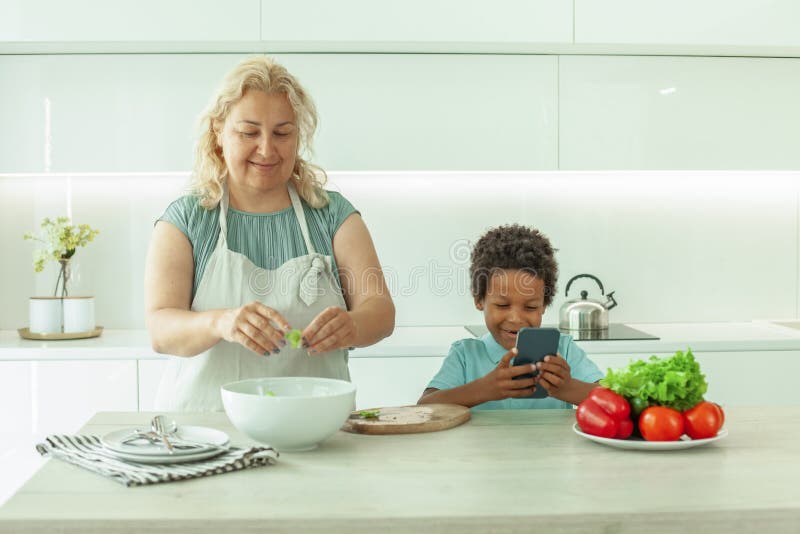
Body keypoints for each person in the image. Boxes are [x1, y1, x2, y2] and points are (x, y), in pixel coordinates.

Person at [145, 55, 395, 411]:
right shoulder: (186, 220)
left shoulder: (333, 215)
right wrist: (221, 322)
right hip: (205, 434)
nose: (266, 149)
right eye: (249, 132)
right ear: (219, 132)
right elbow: (160, 329)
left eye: (282, 133)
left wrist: (353, 325)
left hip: (315, 425)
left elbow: (381, 311)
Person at [418, 224, 602, 409]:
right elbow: (425, 407)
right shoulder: (465, 355)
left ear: (544, 305)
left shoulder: (564, 350)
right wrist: (484, 389)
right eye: (502, 305)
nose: (516, 318)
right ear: (479, 300)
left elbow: (613, 400)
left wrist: (568, 388)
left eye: (530, 307)